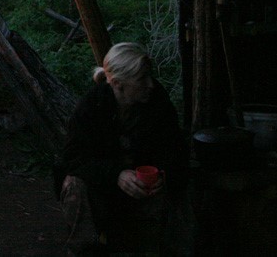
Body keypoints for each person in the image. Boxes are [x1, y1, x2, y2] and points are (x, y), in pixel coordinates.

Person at [56, 42, 192, 255]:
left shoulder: (157, 102)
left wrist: (164, 174)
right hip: (103, 188)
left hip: (143, 190)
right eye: (141, 79)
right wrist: (115, 174)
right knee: (74, 185)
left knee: (179, 192)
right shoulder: (92, 106)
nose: (150, 84)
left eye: (149, 76)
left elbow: (176, 149)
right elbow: (72, 158)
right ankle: (84, 250)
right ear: (118, 84)